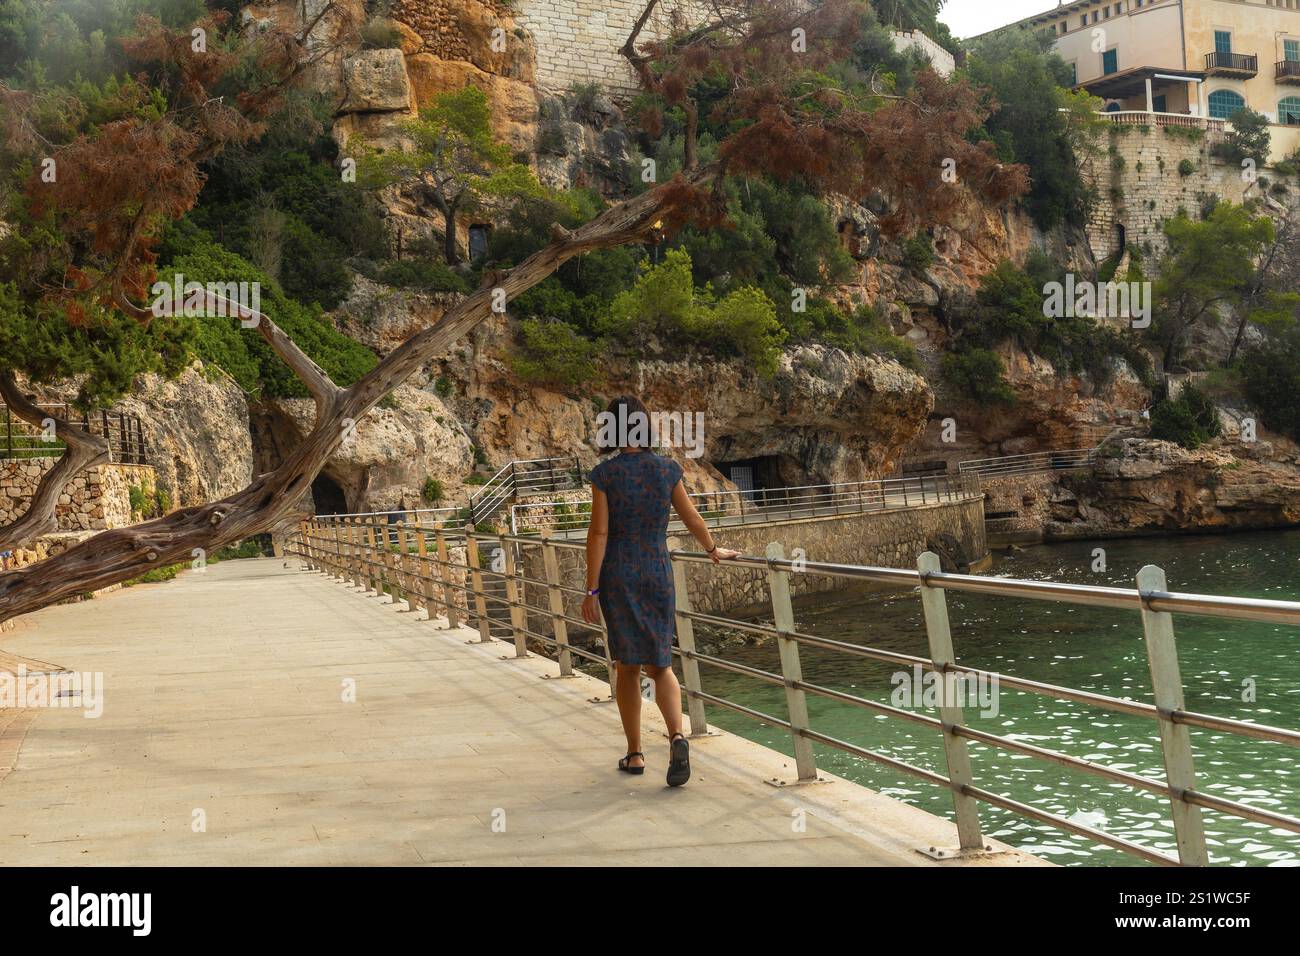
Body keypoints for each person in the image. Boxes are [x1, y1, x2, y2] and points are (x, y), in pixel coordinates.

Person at [581, 396, 739, 787]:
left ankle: (635, 754)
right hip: (656, 571)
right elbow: (691, 516)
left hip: (619, 574)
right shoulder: (667, 470)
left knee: (627, 667)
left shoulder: (605, 475)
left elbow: (599, 533)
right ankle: (677, 736)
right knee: (661, 663)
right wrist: (712, 549)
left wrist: (591, 587)